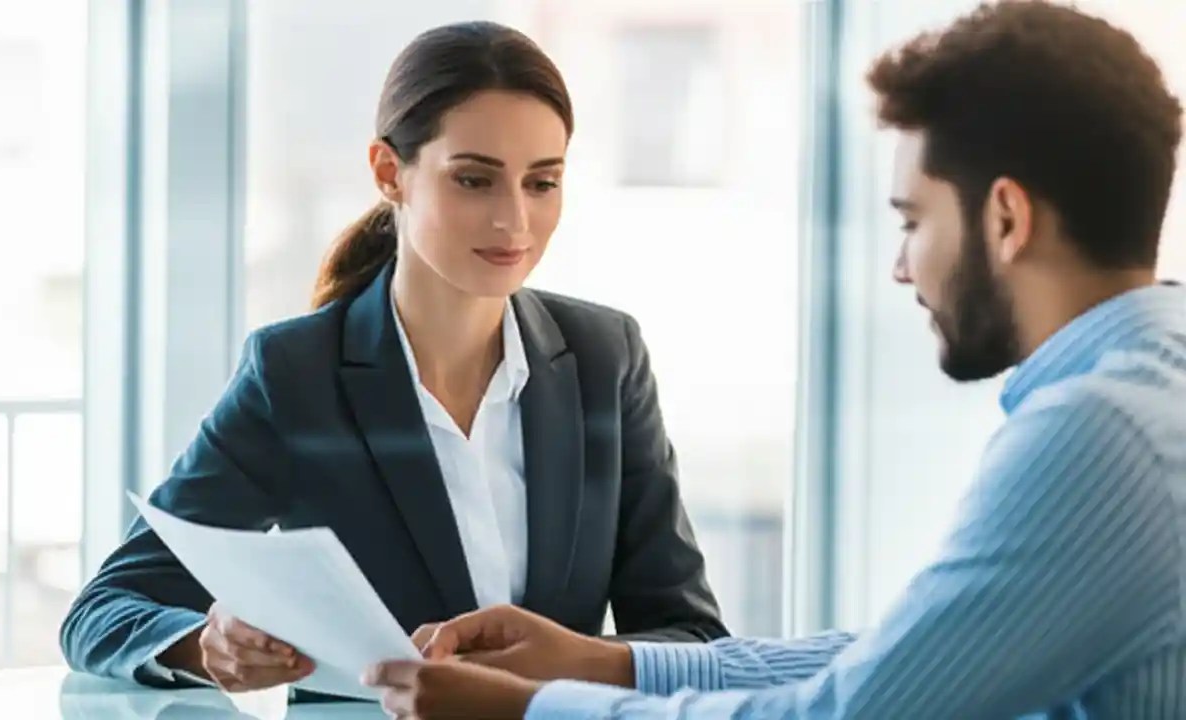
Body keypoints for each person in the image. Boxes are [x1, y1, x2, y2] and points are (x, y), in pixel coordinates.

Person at [362, 2, 1186, 717]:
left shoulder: (1098, 434)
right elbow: (911, 656)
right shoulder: (1157, 384)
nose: (902, 266)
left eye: (911, 221)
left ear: (1006, 219)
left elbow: (849, 711)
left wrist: (537, 710)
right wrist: (607, 660)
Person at [59, 21, 727, 695]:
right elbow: (102, 611)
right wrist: (204, 647)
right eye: (474, 180)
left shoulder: (605, 360)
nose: (514, 222)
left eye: (542, 183)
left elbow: (692, 638)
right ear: (389, 172)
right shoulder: (298, 375)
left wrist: (569, 663)